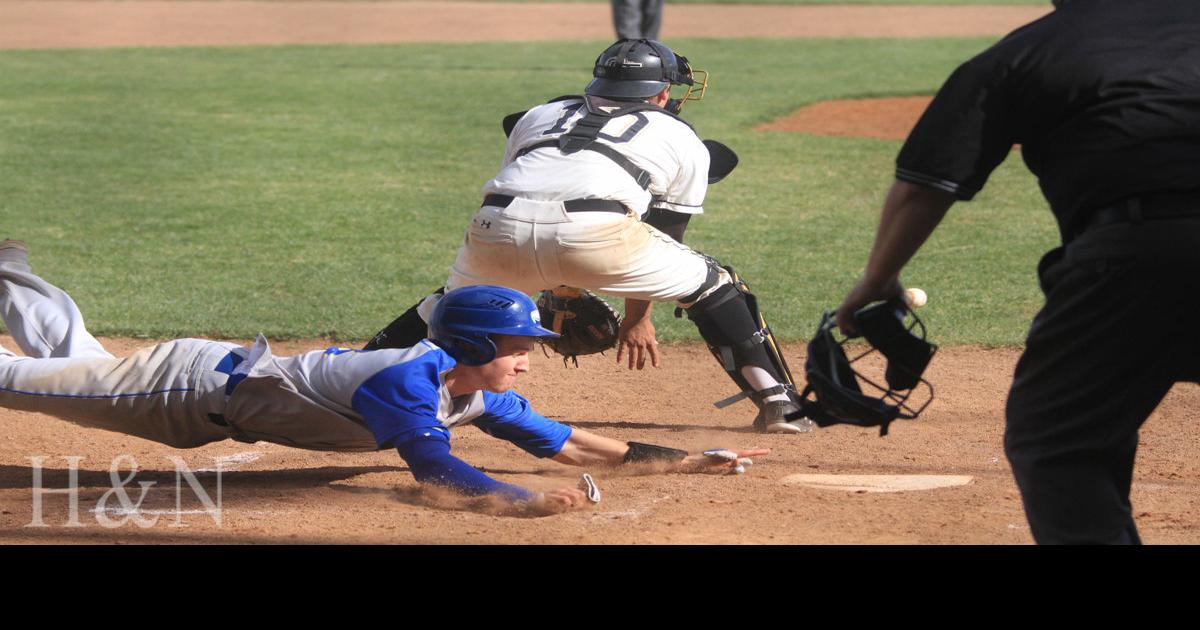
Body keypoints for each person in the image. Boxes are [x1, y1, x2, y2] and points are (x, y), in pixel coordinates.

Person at [0, 240, 767, 516]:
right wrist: (526, 505)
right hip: (178, 392)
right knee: (21, 380)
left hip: (206, 387)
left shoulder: (474, 392)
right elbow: (436, 470)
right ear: (473, 342)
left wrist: (691, 460)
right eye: (518, 345)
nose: (530, 357)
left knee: (69, 356)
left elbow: (568, 444)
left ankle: (9, 272)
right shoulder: (409, 381)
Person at [834, 0, 1200, 544]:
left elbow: (923, 187)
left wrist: (877, 279)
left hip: (1138, 256)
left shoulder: (1027, 52)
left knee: (1060, 443)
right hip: (1138, 252)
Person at [364, 39, 813, 435]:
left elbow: (537, 194)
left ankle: (356, 378)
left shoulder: (539, 114)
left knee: (453, 305)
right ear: (662, 93)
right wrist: (637, 318)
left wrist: (560, 289)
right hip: (598, 235)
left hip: (496, 226)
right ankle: (778, 402)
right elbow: (664, 234)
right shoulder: (680, 135)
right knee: (715, 285)